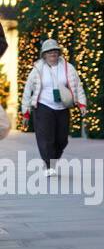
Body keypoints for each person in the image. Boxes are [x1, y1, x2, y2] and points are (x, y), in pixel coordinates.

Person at [21, 39, 86, 175]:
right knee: (46, 137)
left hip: (62, 107)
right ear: (44, 54)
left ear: (59, 53)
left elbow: (77, 86)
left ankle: (53, 160)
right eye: (49, 51)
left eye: (55, 51)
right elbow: (28, 90)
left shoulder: (68, 68)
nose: (53, 53)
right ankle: (49, 165)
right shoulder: (38, 69)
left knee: (62, 139)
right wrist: (26, 111)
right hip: (43, 106)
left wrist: (81, 103)